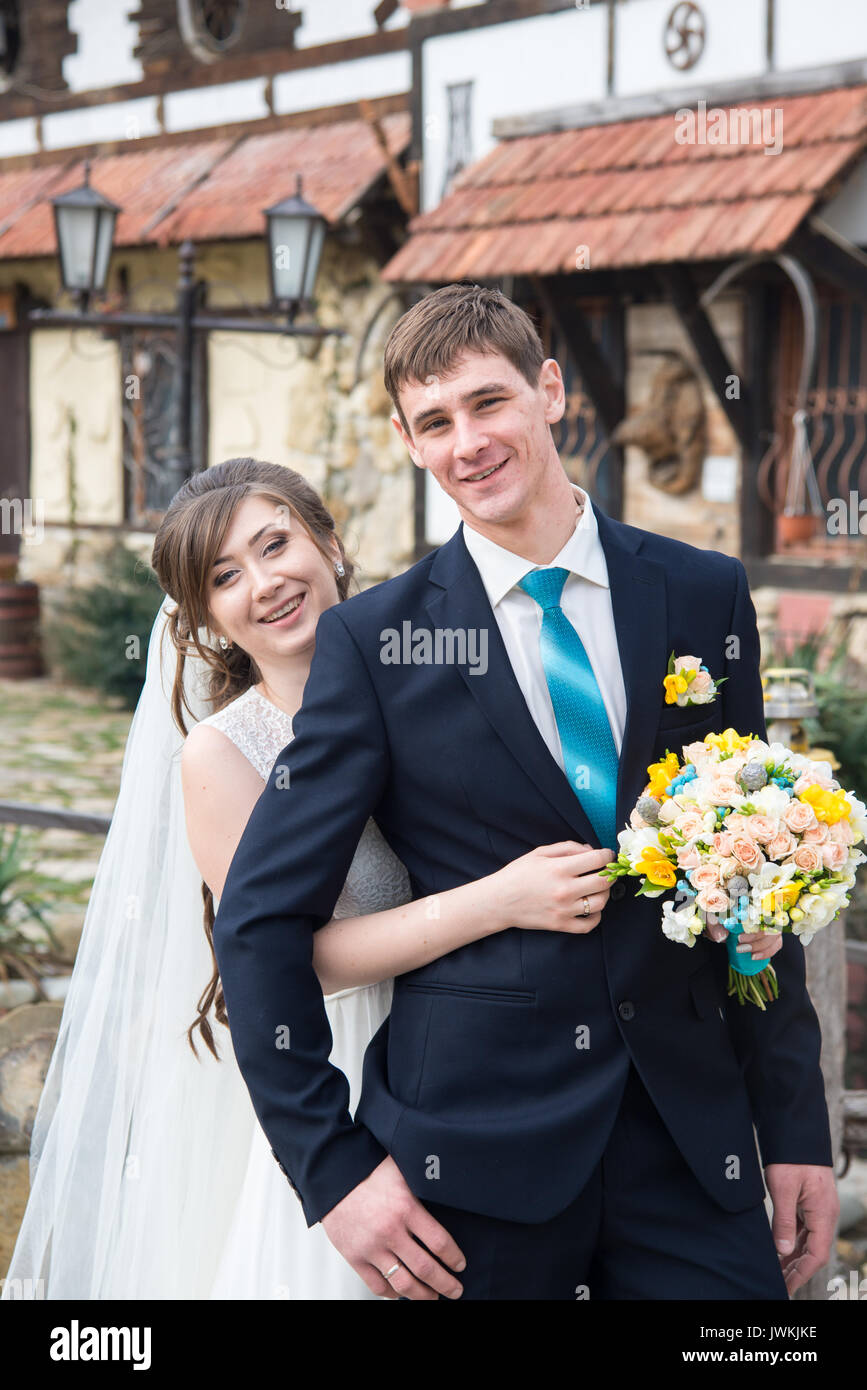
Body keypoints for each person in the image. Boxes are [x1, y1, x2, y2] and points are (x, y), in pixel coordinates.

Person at [212, 283, 835, 1302]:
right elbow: (257, 923)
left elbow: (754, 859)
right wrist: (332, 1173)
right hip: (470, 1157)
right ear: (412, 444)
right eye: (435, 422)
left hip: (690, 1139)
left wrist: (796, 1123)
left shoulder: (702, 591)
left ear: (550, 391)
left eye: (488, 402)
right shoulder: (375, 645)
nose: (468, 442)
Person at [3, 456, 633, 1300]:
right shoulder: (222, 754)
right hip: (337, 1052)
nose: (264, 583)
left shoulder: (440, 671)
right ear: (205, 618)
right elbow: (280, 956)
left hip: (494, 1050)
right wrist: (495, 901)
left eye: (276, 544)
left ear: (329, 543)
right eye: (226, 576)